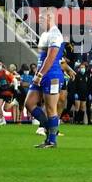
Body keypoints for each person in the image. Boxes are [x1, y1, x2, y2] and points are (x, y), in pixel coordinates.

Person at [24, 10, 66, 149]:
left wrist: (40, 75)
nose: (40, 21)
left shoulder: (55, 34)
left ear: (49, 18)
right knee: (29, 103)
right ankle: (50, 129)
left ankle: (51, 140)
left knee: (50, 109)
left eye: (42, 19)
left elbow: (51, 58)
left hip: (51, 75)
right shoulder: (44, 34)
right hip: (42, 73)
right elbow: (42, 58)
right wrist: (38, 73)